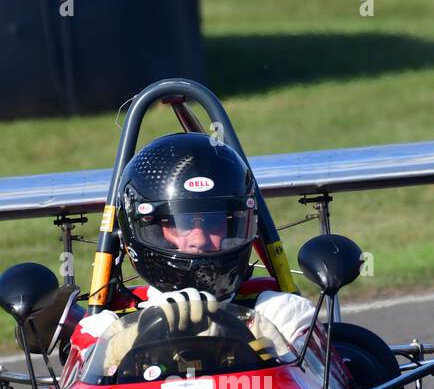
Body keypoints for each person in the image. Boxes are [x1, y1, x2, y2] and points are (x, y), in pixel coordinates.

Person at [74, 132, 317, 368]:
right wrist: (131, 343)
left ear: (236, 225)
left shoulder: (280, 313)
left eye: (212, 222)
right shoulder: (102, 329)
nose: (198, 239)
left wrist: (238, 337)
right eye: (183, 224)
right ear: (152, 229)